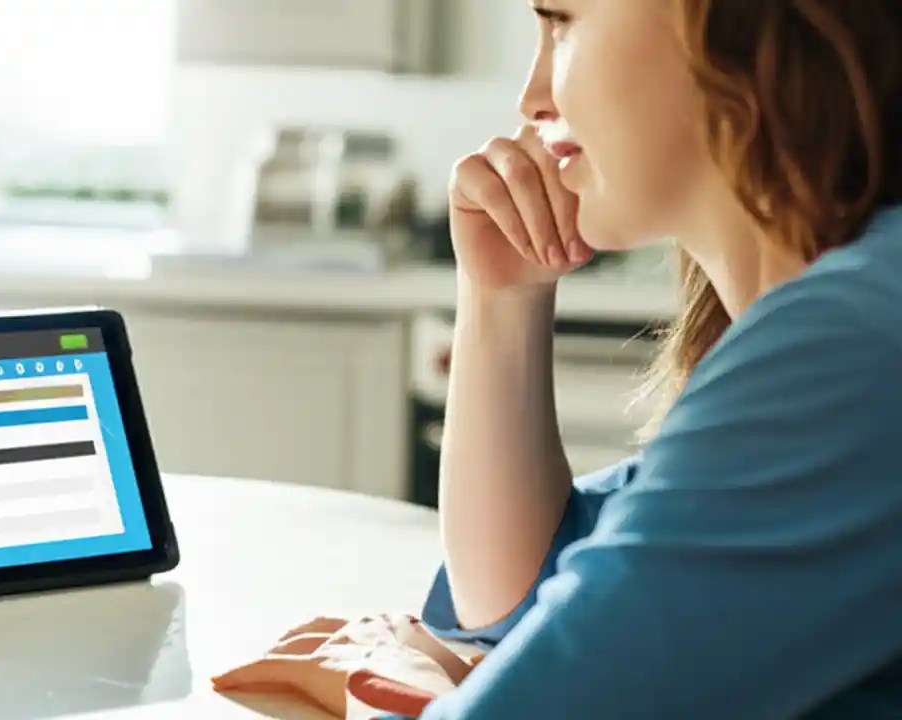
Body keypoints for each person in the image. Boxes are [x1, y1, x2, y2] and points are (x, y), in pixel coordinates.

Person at [213, 1, 902, 717]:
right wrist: (501, 296)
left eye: (562, 22)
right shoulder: (850, 316)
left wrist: (396, 688)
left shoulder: (849, 349)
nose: (531, 97)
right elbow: (519, 598)